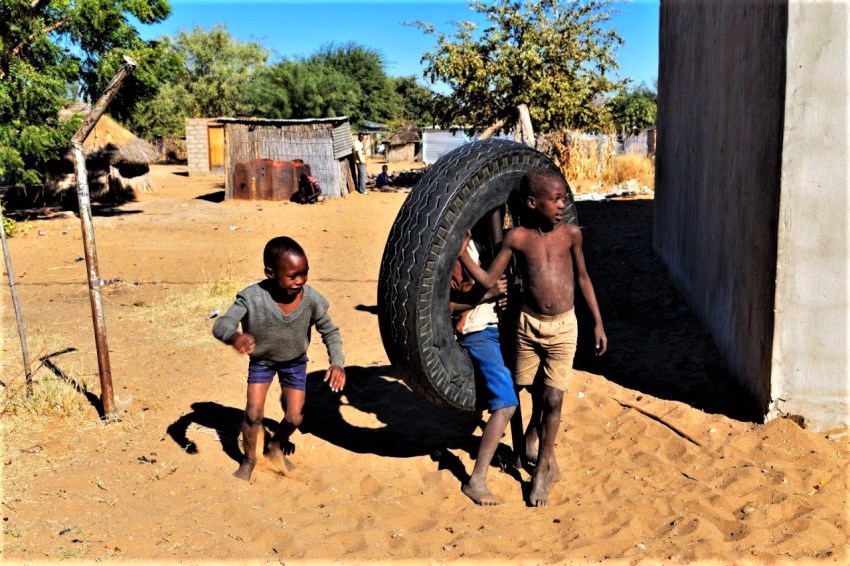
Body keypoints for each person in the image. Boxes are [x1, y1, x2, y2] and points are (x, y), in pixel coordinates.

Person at [459, 168, 607, 507]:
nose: (561, 205)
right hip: (528, 325)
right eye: (553, 199)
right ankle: (528, 442)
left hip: (564, 326)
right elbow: (488, 280)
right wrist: (462, 253)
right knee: (525, 390)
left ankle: (542, 468)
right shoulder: (517, 239)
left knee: (554, 398)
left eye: (562, 199)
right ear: (531, 202)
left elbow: (583, 279)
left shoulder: (571, 234)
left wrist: (598, 323)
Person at [213, 236, 346, 481]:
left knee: (295, 416)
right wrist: (235, 337)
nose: (300, 281)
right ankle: (250, 459)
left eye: (304, 274)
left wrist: (337, 362)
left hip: (294, 363)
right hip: (262, 363)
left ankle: (275, 445)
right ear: (271, 273)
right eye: (293, 276)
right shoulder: (252, 297)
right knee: (253, 413)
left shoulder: (312, 299)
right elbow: (222, 324)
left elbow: (330, 331)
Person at [450, 237, 517, 505]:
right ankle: (476, 479)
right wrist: (487, 295)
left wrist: (501, 298)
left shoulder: (478, 244)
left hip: (493, 327)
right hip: (477, 333)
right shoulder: (455, 252)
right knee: (507, 404)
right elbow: (448, 305)